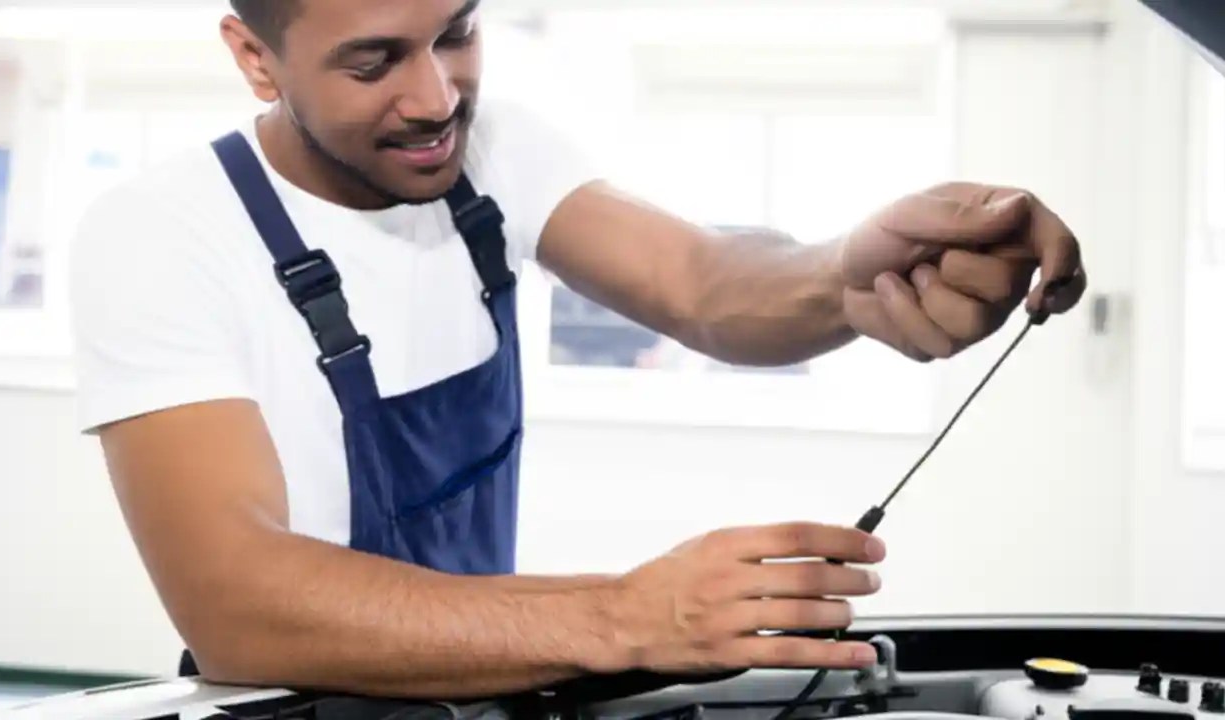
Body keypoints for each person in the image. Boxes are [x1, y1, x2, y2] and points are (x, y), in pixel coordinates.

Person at [69, 0, 1087, 702]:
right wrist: (626, 617)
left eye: (457, 32)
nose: (435, 98)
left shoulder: (492, 152)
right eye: (374, 62)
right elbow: (238, 602)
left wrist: (848, 275)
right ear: (255, 57)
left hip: (483, 693)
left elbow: (705, 283)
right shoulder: (162, 233)